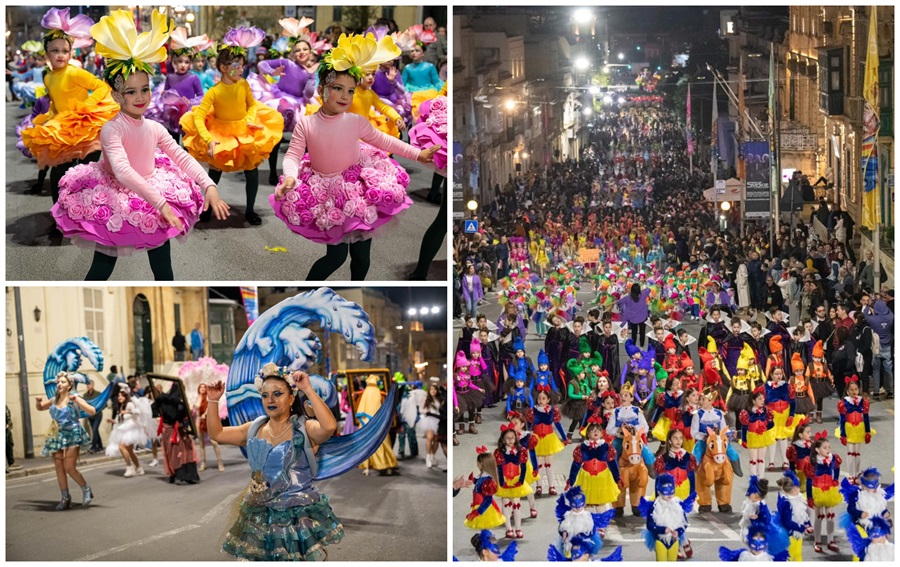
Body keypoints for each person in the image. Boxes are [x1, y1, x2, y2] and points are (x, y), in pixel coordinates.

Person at [51, 10, 229, 280]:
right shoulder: (112, 128)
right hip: (114, 198)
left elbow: (181, 157)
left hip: (151, 191)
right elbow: (122, 171)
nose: (140, 97)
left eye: (144, 89)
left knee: (163, 268)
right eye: (130, 92)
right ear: (116, 94)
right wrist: (161, 204)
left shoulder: (155, 127)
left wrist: (210, 186)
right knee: (101, 268)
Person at [270, 33, 440, 280]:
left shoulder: (355, 121)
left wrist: (417, 154)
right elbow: (293, 155)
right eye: (337, 88)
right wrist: (290, 177)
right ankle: (307, 292)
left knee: (361, 255)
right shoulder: (306, 124)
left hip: (356, 190)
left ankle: (355, 289)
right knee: (336, 257)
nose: (344, 96)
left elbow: (384, 140)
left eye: (350, 91)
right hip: (325, 192)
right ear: (321, 89)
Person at [206, 365, 347, 560]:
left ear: (291, 399)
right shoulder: (255, 428)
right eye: (265, 395)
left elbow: (329, 426)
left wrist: (307, 389)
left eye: (277, 394)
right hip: (260, 514)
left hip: (294, 516)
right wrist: (213, 400)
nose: (270, 400)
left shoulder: (304, 429)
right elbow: (217, 433)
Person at [21, 8, 118, 239]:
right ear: (47, 54)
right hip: (63, 129)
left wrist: (87, 107)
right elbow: (55, 100)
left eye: (65, 50)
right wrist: (50, 117)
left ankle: (92, 214)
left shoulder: (75, 73)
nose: (61, 55)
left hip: (86, 127)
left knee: (88, 174)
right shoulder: (47, 75)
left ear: (71, 52)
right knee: (58, 175)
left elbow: (102, 87)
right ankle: (59, 217)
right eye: (55, 51)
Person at [180, 25, 283, 227]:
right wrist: (209, 139)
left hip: (244, 131)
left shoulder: (243, 84)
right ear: (224, 68)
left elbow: (252, 104)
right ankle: (207, 207)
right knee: (215, 172)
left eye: (242, 65)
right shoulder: (215, 92)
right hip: (221, 133)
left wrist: (250, 119)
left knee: (251, 171)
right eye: (237, 65)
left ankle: (251, 210)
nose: (241, 69)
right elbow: (199, 116)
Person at [34, 372, 96, 509]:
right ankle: (65, 498)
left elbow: (92, 411)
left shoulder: (74, 398)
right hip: (57, 433)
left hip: (72, 433)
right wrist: (38, 402)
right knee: (58, 465)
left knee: (69, 467)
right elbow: (41, 407)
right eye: (58, 382)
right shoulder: (54, 399)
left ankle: (86, 489)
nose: (59, 384)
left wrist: (78, 400)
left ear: (69, 386)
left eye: (62, 382)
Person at [152, 380, 201, 484]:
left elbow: (154, 407)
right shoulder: (176, 403)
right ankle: (179, 474)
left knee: (175, 452)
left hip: (172, 429)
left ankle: (175, 474)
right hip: (173, 429)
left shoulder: (164, 399)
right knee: (180, 452)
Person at [105, 386, 152, 477]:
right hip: (124, 428)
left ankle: (129, 468)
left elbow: (137, 412)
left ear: (126, 397)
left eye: (122, 396)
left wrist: (128, 412)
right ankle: (139, 468)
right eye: (118, 396)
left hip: (131, 429)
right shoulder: (121, 406)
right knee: (130, 451)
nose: (120, 397)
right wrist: (112, 421)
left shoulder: (129, 404)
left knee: (122, 446)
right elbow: (120, 421)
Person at [356, 375, 398, 475]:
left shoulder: (365, 394)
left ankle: (367, 467)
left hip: (366, 424)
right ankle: (387, 465)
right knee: (383, 443)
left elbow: (360, 409)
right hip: (379, 424)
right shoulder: (380, 394)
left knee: (367, 445)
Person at [193, 383, 225, 472]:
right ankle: (203, 463)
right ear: (198, 389)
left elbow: (209, 408)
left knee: (214, 442)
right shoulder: (196, 399)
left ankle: (220, 462)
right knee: (201, 443)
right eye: (201, 387)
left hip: (207, 420)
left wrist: (205, 414)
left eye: (204, 387)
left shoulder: (208, 397)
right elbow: (195, 411)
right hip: (199, 421)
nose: (202, 388)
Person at [617, 283, 651, 347]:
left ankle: (633, 346)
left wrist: (614, 302)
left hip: (633, 318)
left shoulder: (628, 298)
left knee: (634, 333)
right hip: (642, 317)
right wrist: (641, 291)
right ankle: (641, 346)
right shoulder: (643, 294)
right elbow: (649, 289)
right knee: (642, 333)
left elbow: (619, 301)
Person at [417, 382, 442, 469]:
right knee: (429, 438)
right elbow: (420, 410)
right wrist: (426, 411)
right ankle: (428, 457)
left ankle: (432, 455)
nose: (433, 391)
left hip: (438, 420)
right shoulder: (425, 398)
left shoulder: (439, 399)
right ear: (429, 390)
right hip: (429, 420)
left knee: (436, 440)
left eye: (435, 389)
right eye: (431, 389)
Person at [81, 379, 104, 453]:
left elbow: (104, 404)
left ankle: (93, 447)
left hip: (97, 415)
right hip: (90, 416)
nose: (88, 386)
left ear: (93, 385)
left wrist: (98, 410)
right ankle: (100, 446)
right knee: (95, 430)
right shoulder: (85, 395)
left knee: (94, 430)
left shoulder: (98, 394)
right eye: (87, 384)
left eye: (89, 384)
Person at [6, 406, 23, 473]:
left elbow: (8, 418)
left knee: (9, 443)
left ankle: (11, 462)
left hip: (6, 430)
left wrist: (8, 425)